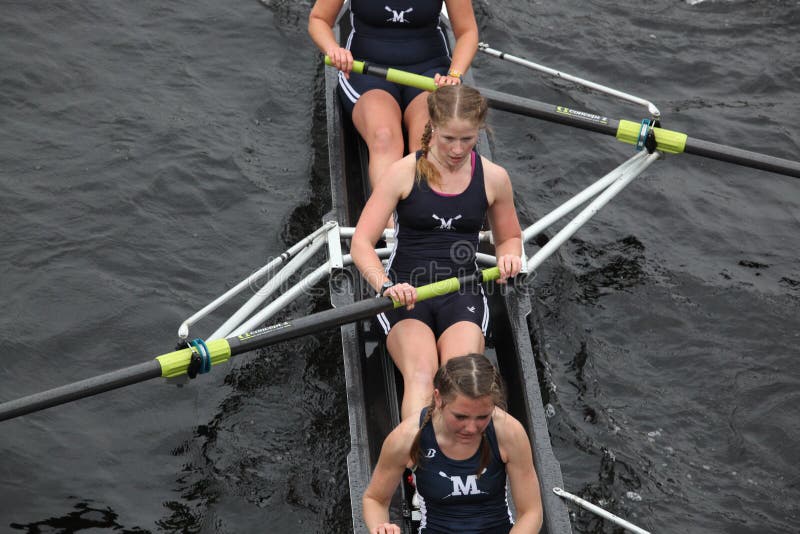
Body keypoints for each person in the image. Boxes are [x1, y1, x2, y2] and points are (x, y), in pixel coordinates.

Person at [350, 84, 523, 421]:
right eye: (448, 139)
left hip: (462, 291)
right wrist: (385, 286)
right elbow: (361, 243)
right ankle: (418, 464)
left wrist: (510, 256)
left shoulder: (494, 178)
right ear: (432, 127)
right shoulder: (403, 173)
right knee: (421, 377)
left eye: (467, 139)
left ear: (479, 132)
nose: (457, 150)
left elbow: (509, 238)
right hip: (406, 292)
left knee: (459, 380)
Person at [308, 0, 479, 193]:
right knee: (384, 137)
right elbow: (319, 19)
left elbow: (467, 32)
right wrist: (333, 49)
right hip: (367, 71)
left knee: (430, 139)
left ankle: (430, 213)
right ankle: (389, 220)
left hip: (431, 72)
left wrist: (454, 75)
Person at [363, 353, 544, 533]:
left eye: (483, 417)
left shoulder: (509, 432)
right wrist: (380, 528)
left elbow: (531, 511)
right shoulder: (406, 438)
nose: (472, 428)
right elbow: (375, 499)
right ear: (439, 399)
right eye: (461, 416)